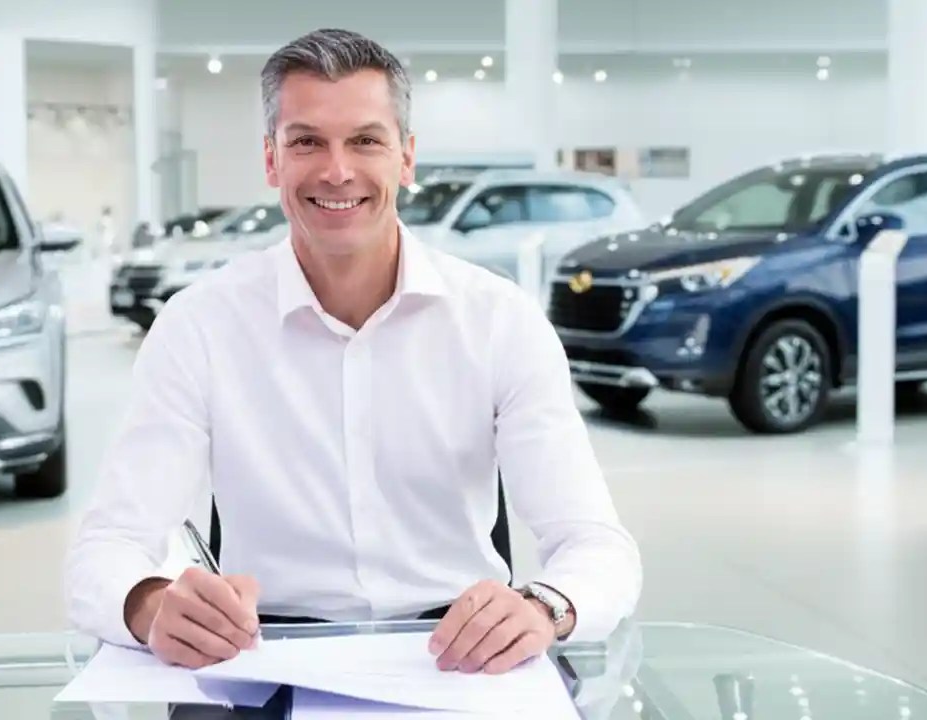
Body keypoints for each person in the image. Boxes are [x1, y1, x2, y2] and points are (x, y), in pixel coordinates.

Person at [65, 28, 641, 675]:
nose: (337, 171)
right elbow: (108, 547)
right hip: (261, 660)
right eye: (306, 141)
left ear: (406, 157)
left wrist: (545, 607)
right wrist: (148, 604)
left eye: (365, 140)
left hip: (459, 659)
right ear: (271, 160)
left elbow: (596, 544)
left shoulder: (500, 320)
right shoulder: (199, 325)